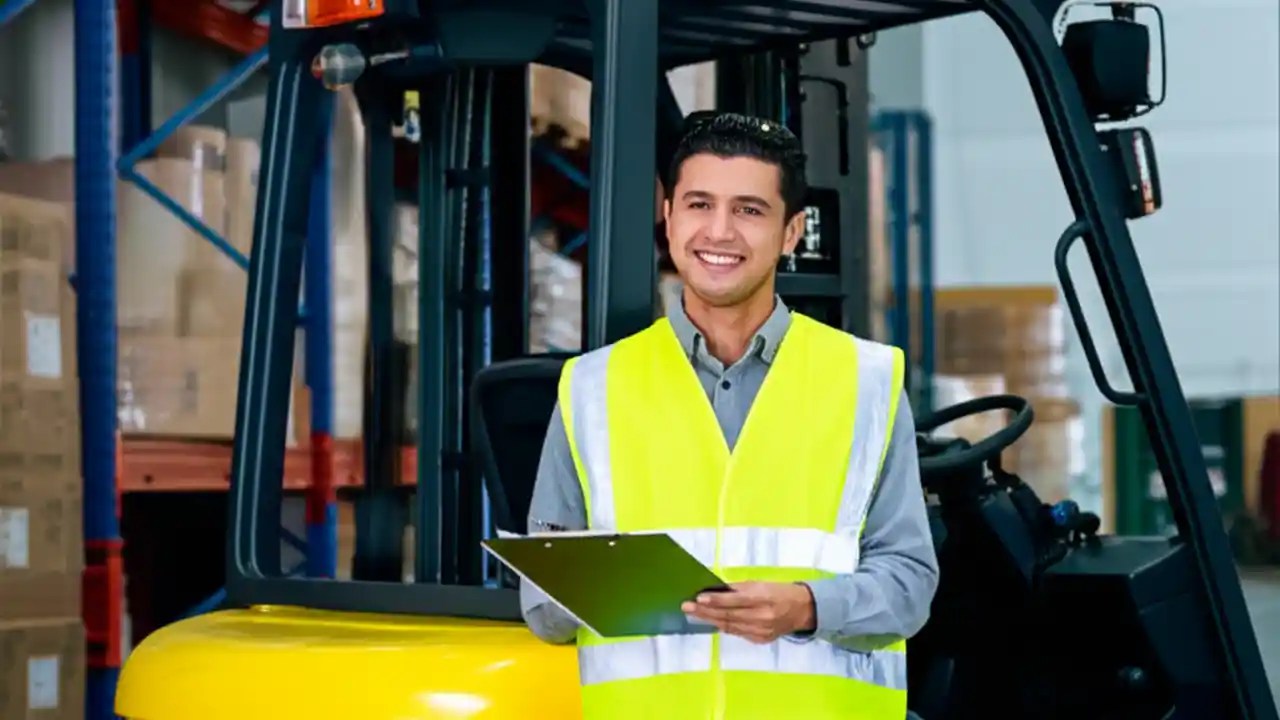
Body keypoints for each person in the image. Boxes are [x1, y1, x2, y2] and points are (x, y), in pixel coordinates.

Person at [520, 112, 940, 719]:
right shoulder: (591, 387)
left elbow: (909, 585)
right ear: (668, 216)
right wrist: (614, 589)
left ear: (792, 231)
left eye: (749, 210)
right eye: (698, 204)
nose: (719, 232)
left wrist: (806, 606)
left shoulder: (867, 380)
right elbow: (543, 608)